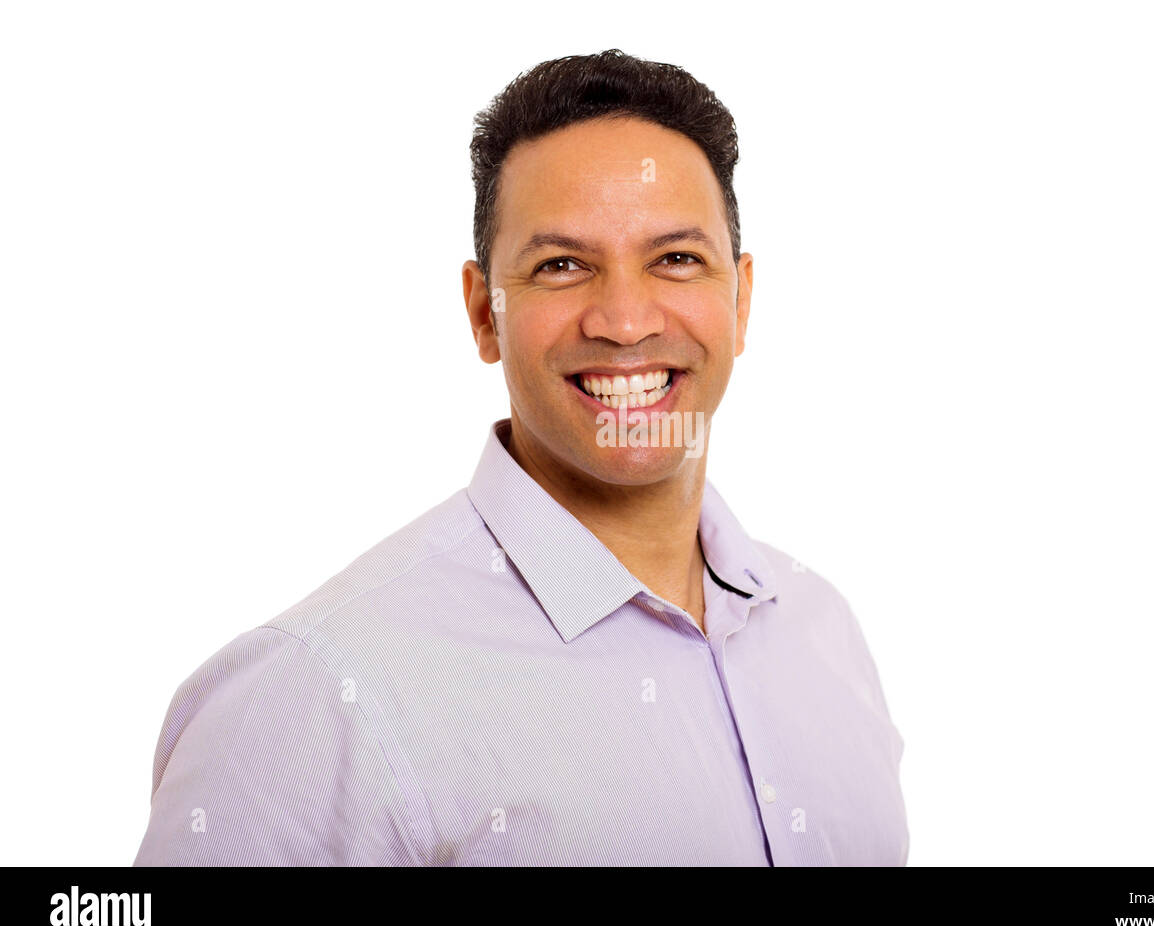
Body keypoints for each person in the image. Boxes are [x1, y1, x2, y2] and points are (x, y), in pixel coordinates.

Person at [133, 48, 908, 866]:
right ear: (484, 314)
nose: (625, 319)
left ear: (740, 301)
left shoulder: (824, 633)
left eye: (676, 258)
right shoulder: (316, 700)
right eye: (562, 266)